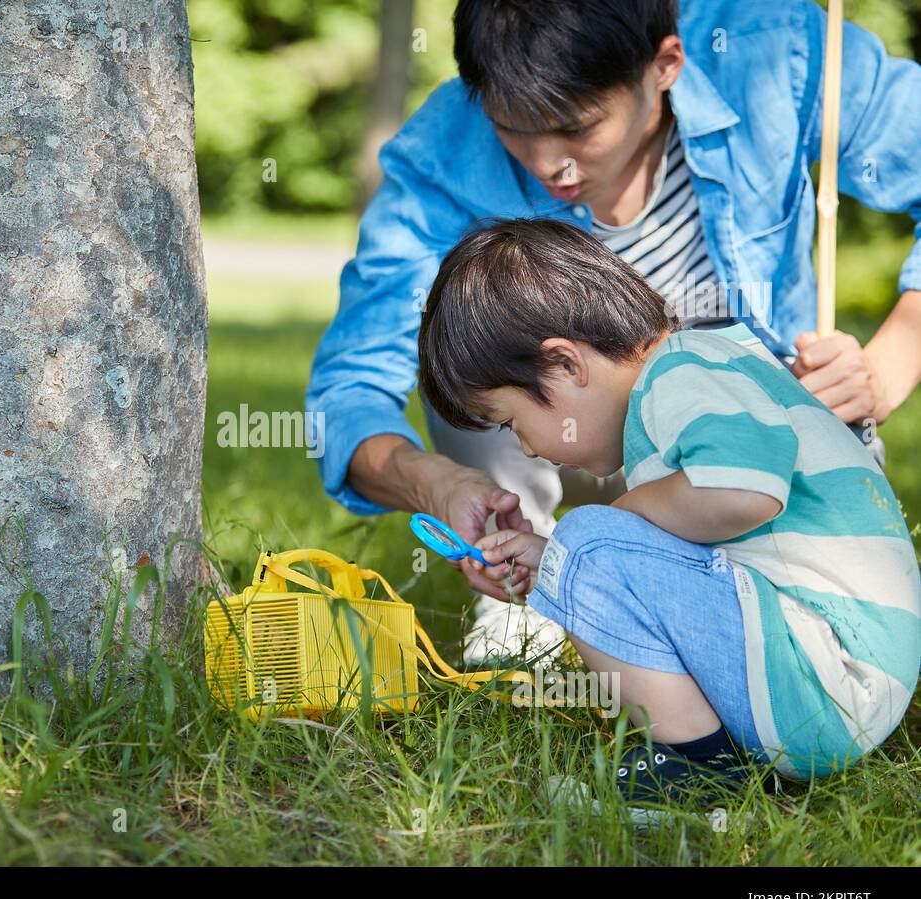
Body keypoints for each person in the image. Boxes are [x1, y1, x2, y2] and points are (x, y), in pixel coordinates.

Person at [306, 0, 921, 665]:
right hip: (549, 444)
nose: (549, 165)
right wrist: (436, 482)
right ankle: (529, 599)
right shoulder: (441, 154)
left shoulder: (775, 47)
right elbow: (349, 390)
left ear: (665, 64)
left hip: (746, 449)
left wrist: (891, 363)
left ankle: (743, 594)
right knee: (471, 351)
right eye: (511, 128)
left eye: (577, 127)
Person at [417, 216, 921, 819]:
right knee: (586, 544)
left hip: (827, 678)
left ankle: (698, 772)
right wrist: (563, 563)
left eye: (510, 421)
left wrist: (594, 540)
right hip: (831, 681)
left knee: (587, 536)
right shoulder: (702, 368)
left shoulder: (679, 371)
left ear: (566, 364)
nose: (524, 448)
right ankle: (706, 755)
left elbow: (742, 492)